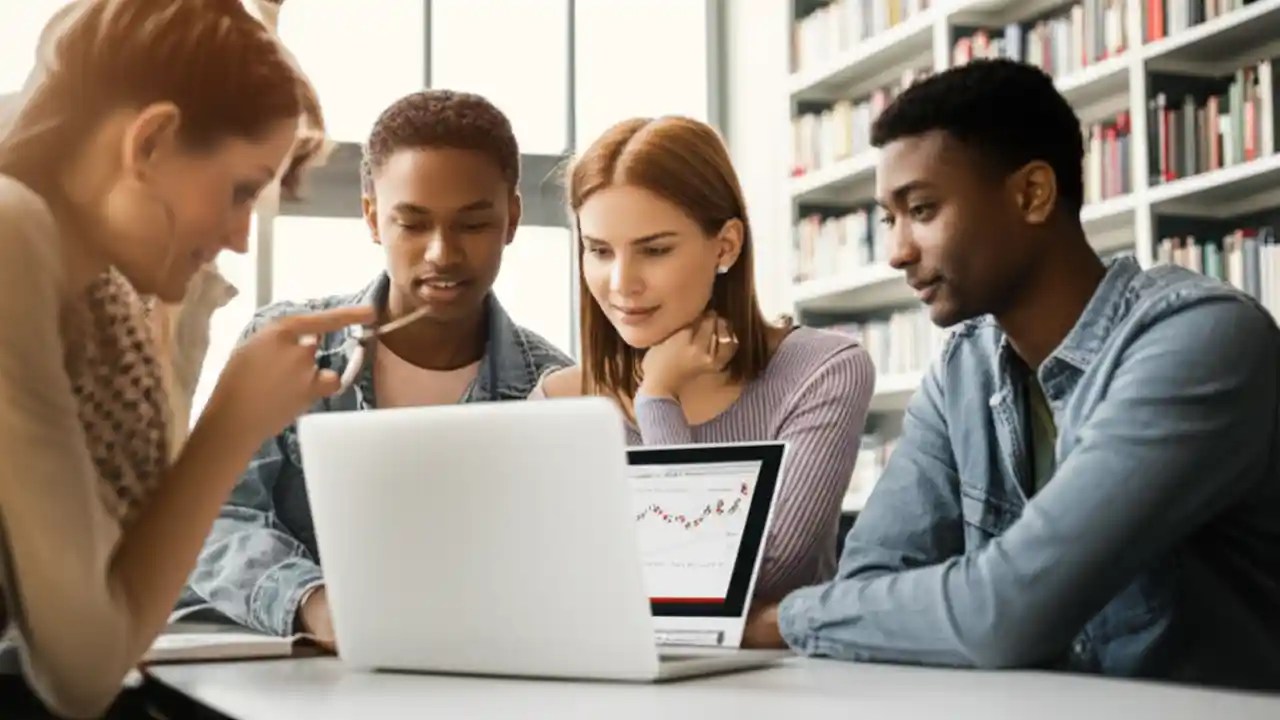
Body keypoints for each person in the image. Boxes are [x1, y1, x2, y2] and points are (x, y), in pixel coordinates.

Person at [747, 59, 1280, 690]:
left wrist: (787, 619)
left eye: (921, 209)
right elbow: (871, 583)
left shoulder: (1202, 339)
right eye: (889, 220)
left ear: (1032, 194)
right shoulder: (961, 370)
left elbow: (1006, 610)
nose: (897, 251)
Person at [0, 0, 373, 717]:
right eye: (240, 191)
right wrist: (232, 427)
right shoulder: (14, 236)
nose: (239, 237)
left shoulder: (90, 299)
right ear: (151, 141)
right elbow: (83, 673)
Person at [177, 90, 572, 647]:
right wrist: (317, 605)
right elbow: (213, 517)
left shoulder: (555, 389)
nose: (442, 253)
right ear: (371, 218)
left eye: (473, 225)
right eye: (412, 224)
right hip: (286, 676)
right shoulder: (290, 344)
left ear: (512, 217)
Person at [538, 116, 876, 613]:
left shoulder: (822, 372)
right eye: (599, 251)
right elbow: (540, 585)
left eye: (654, 250)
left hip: (781, 690)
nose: (621, 282)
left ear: (726, 245)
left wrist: (658, 399)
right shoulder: (558, 401)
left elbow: (760, 573)